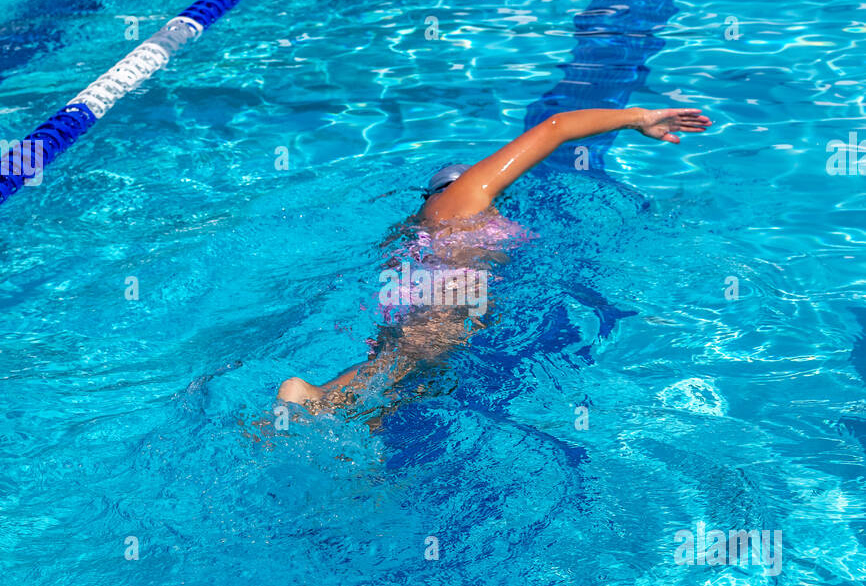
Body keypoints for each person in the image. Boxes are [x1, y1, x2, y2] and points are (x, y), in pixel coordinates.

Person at [277, 106, 712, 412]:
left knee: (416, 374)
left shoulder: (431, 217)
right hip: (443, 291)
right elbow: (555, 128)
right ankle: (314, 395)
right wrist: (638, 118)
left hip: (431, 291)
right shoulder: (466, 194)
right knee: (404, 365)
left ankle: (355, 430)